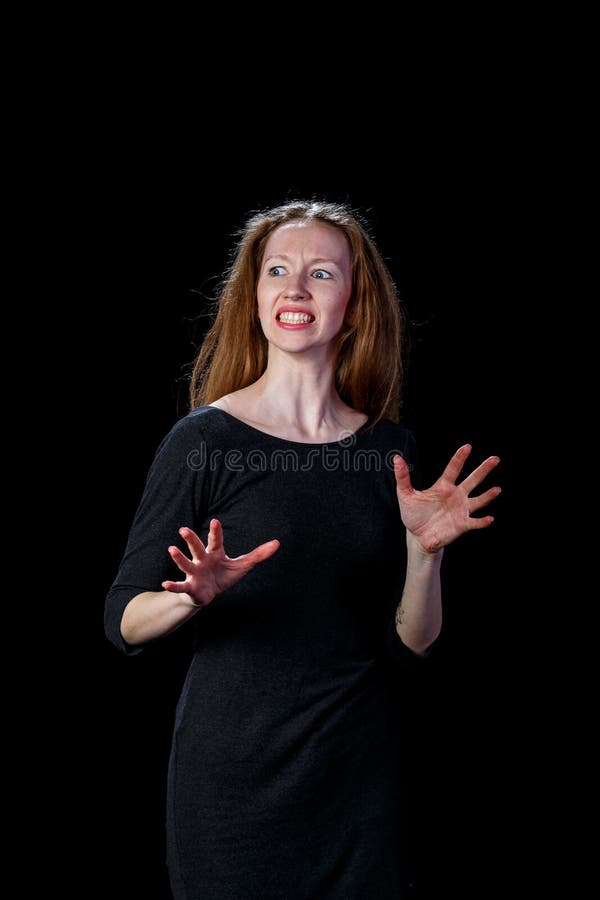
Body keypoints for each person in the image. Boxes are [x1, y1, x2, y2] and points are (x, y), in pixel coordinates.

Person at [105, 200, 500, 899]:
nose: (294, 288)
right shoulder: (205, 443)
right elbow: (123, 620)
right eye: (277, 271)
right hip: (232, 787)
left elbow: (411, 643)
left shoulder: (390, 453)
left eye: (320, 273)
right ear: (254, 297)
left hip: (358, 780)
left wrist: (426, 553)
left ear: (353, 306)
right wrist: (189, 600)